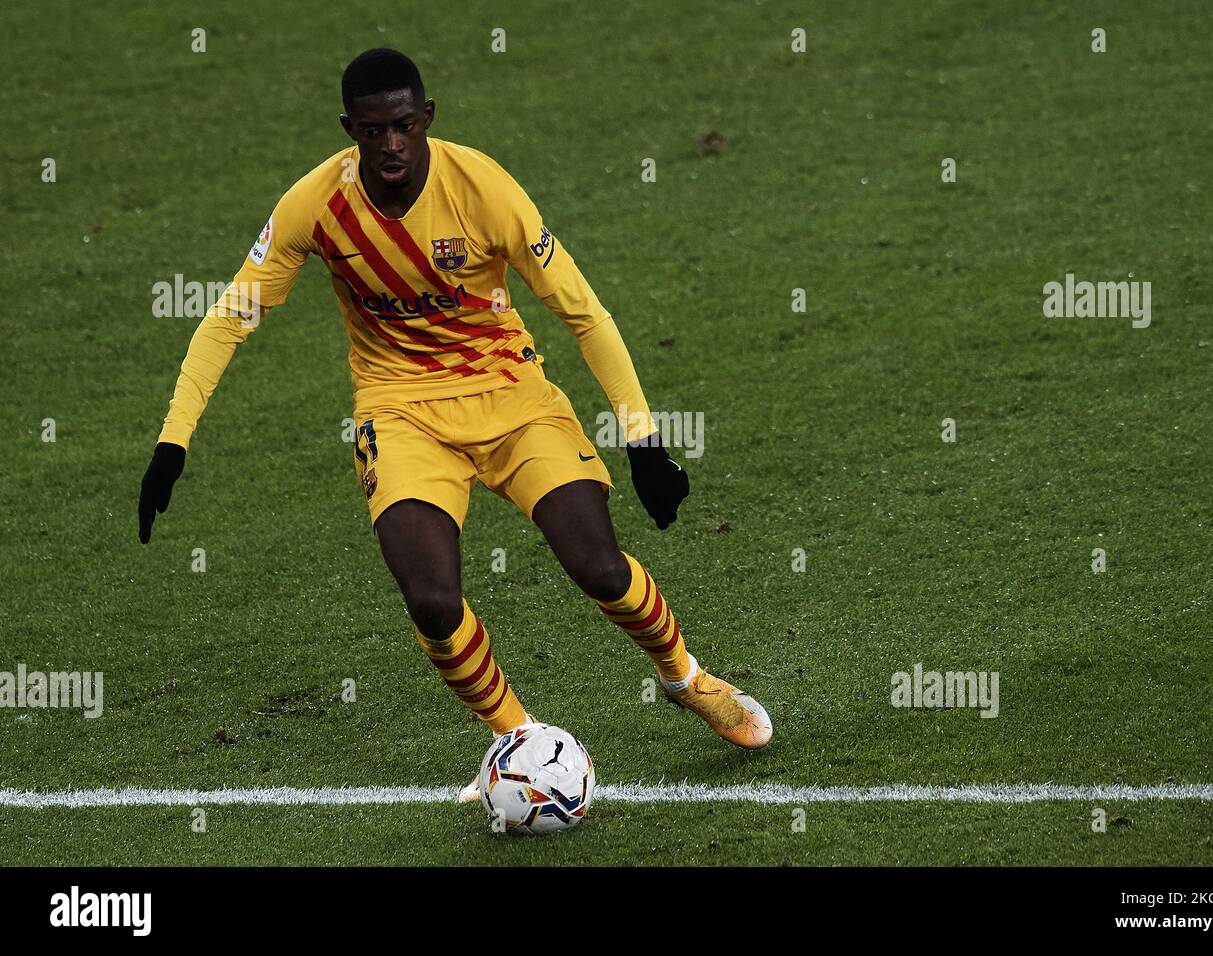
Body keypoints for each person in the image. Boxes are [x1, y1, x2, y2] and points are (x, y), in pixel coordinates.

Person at [137, 49, 772, 792]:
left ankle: (684, 677)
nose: (391, 145)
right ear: (351, 130)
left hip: (513, 399)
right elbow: (228, 318)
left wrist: (643, 439)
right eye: (373, 132)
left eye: (404, 125)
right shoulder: (315, 205)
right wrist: (173, 440)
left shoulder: (483, 189)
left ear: (427, 118)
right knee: (432, 599)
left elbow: (583, 312)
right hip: (400, 414)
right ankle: (519, 741)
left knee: (598, 566)